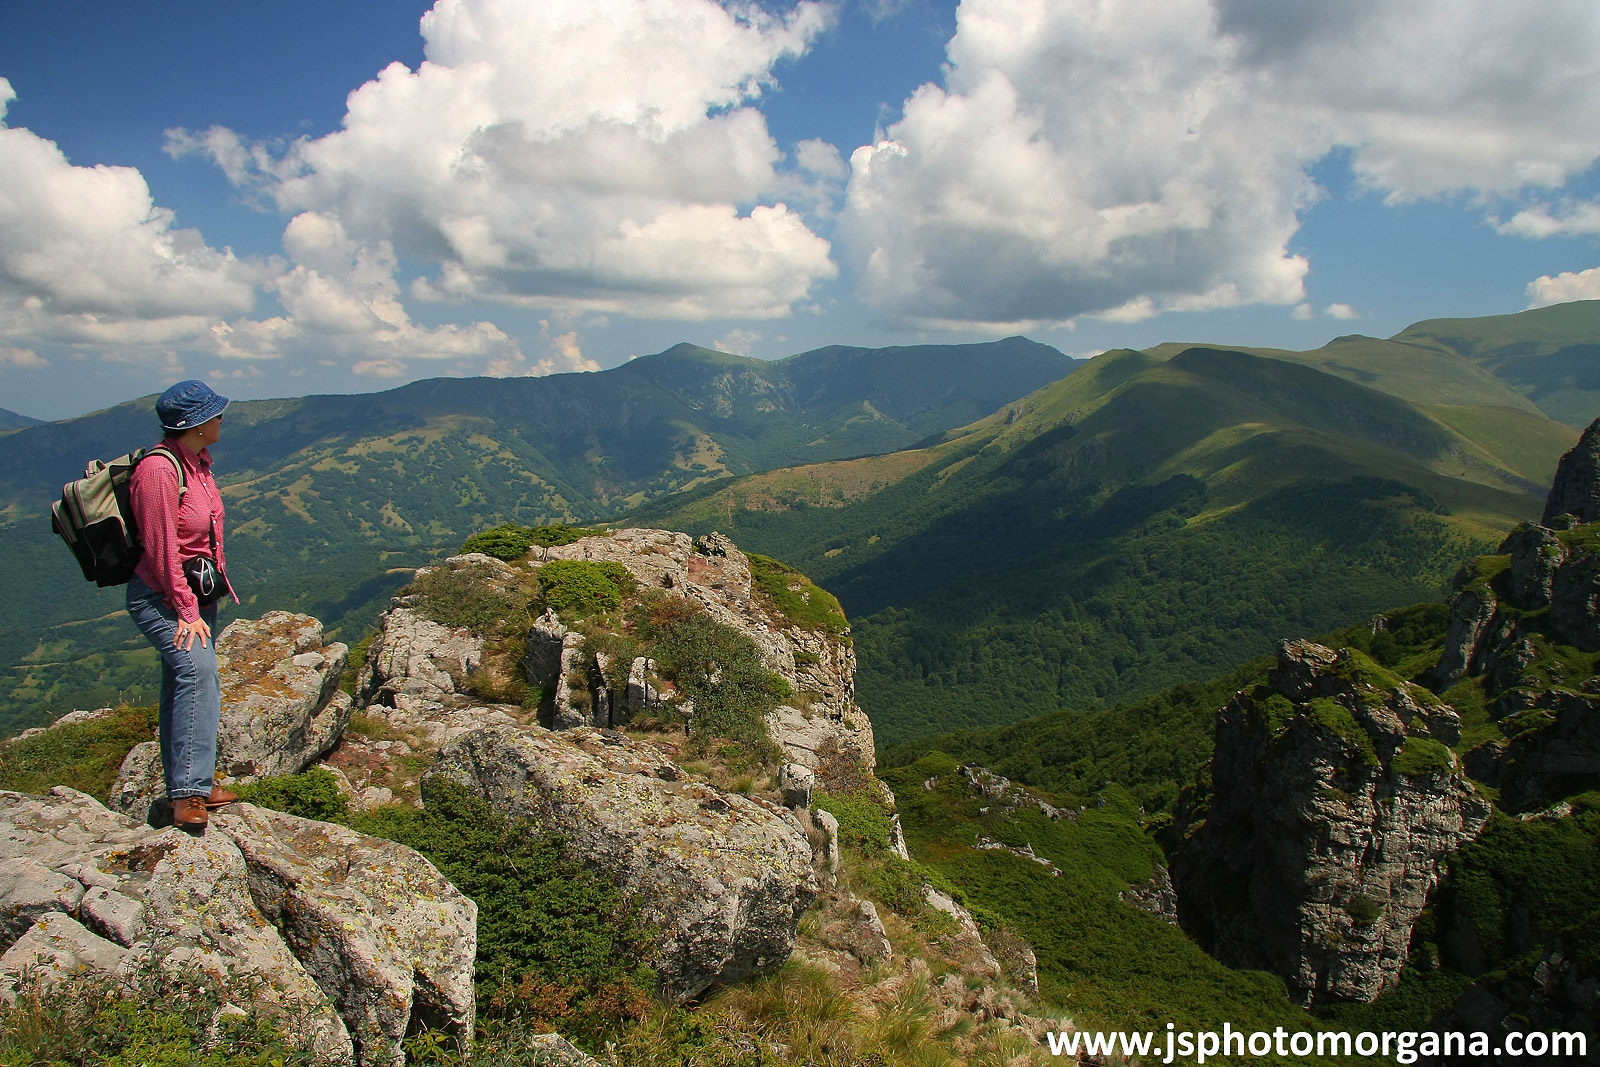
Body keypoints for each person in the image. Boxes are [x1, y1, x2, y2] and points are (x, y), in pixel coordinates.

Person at [126, 379, 240, 832]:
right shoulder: (159, 471)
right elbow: (160, 548)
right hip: (162, 598)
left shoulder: (199, 463)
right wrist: (186, 610)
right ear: (194, 423)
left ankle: (192, 781)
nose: (221, 418)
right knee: (198, 674)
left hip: (194, 595)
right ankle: (190, 794)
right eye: (215, 413)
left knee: (182, 682)